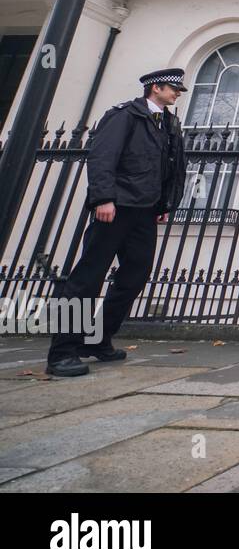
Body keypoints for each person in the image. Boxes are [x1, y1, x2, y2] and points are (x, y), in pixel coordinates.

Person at [45, 69, 188, 377]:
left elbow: (167, 167)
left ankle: (97, 339)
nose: (177, 93)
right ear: (155, 88)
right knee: (88, 276)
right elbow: (102, 157)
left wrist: (163, 204)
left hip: (145, 210)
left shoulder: (168, 124)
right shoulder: (125, 115)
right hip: (116, 206)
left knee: (136, 274)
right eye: (173, 88)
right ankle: (62, 352)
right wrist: (103, 198)